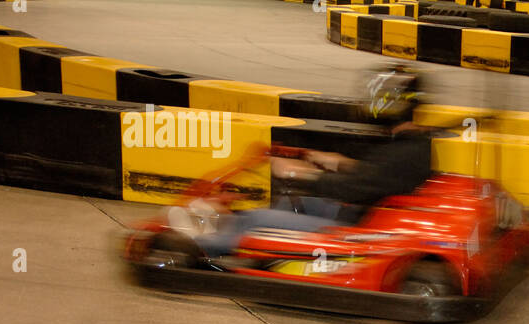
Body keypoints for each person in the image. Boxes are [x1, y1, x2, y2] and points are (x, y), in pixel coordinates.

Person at [168, 65, 432, 257]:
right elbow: (376, 177)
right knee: (293, 203)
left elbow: (354, 188)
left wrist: (300, 173)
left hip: (358, 228)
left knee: (254, 219)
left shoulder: (404, 152)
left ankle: (191, 250)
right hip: (366, 213)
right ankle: (253, 248)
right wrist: (337, 161)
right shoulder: (413, 142)